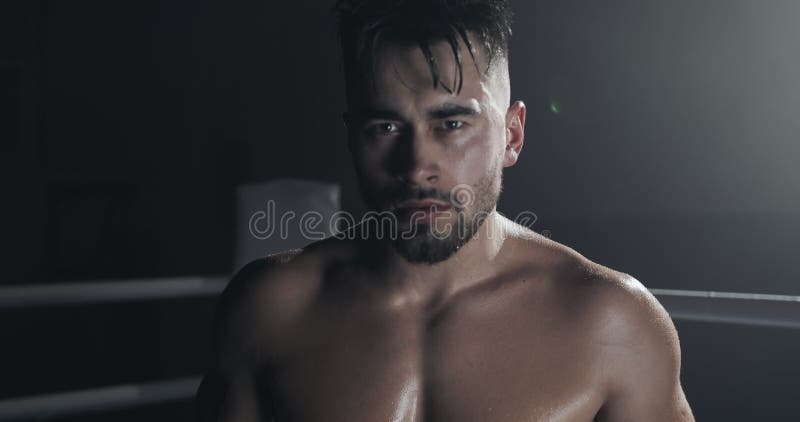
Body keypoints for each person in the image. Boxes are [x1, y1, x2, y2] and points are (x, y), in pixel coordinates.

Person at [196, 0, 695, 420]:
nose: (416, 167)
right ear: (353, 137)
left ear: (512, 135)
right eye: (385, 127)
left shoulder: (613, 325)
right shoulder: (269, 309)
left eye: (451, 124)